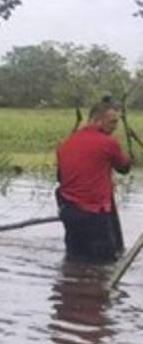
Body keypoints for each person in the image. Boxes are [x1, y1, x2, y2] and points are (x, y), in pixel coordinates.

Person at [56, 99, 132, 262]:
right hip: (95, 214)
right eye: (112, 122)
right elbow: (124, 168)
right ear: (97, 120)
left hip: (69, 212)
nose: (115, 126)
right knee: (105, 266)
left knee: (74, 261)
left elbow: (60, 177)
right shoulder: (108, 143)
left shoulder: (66, 143)